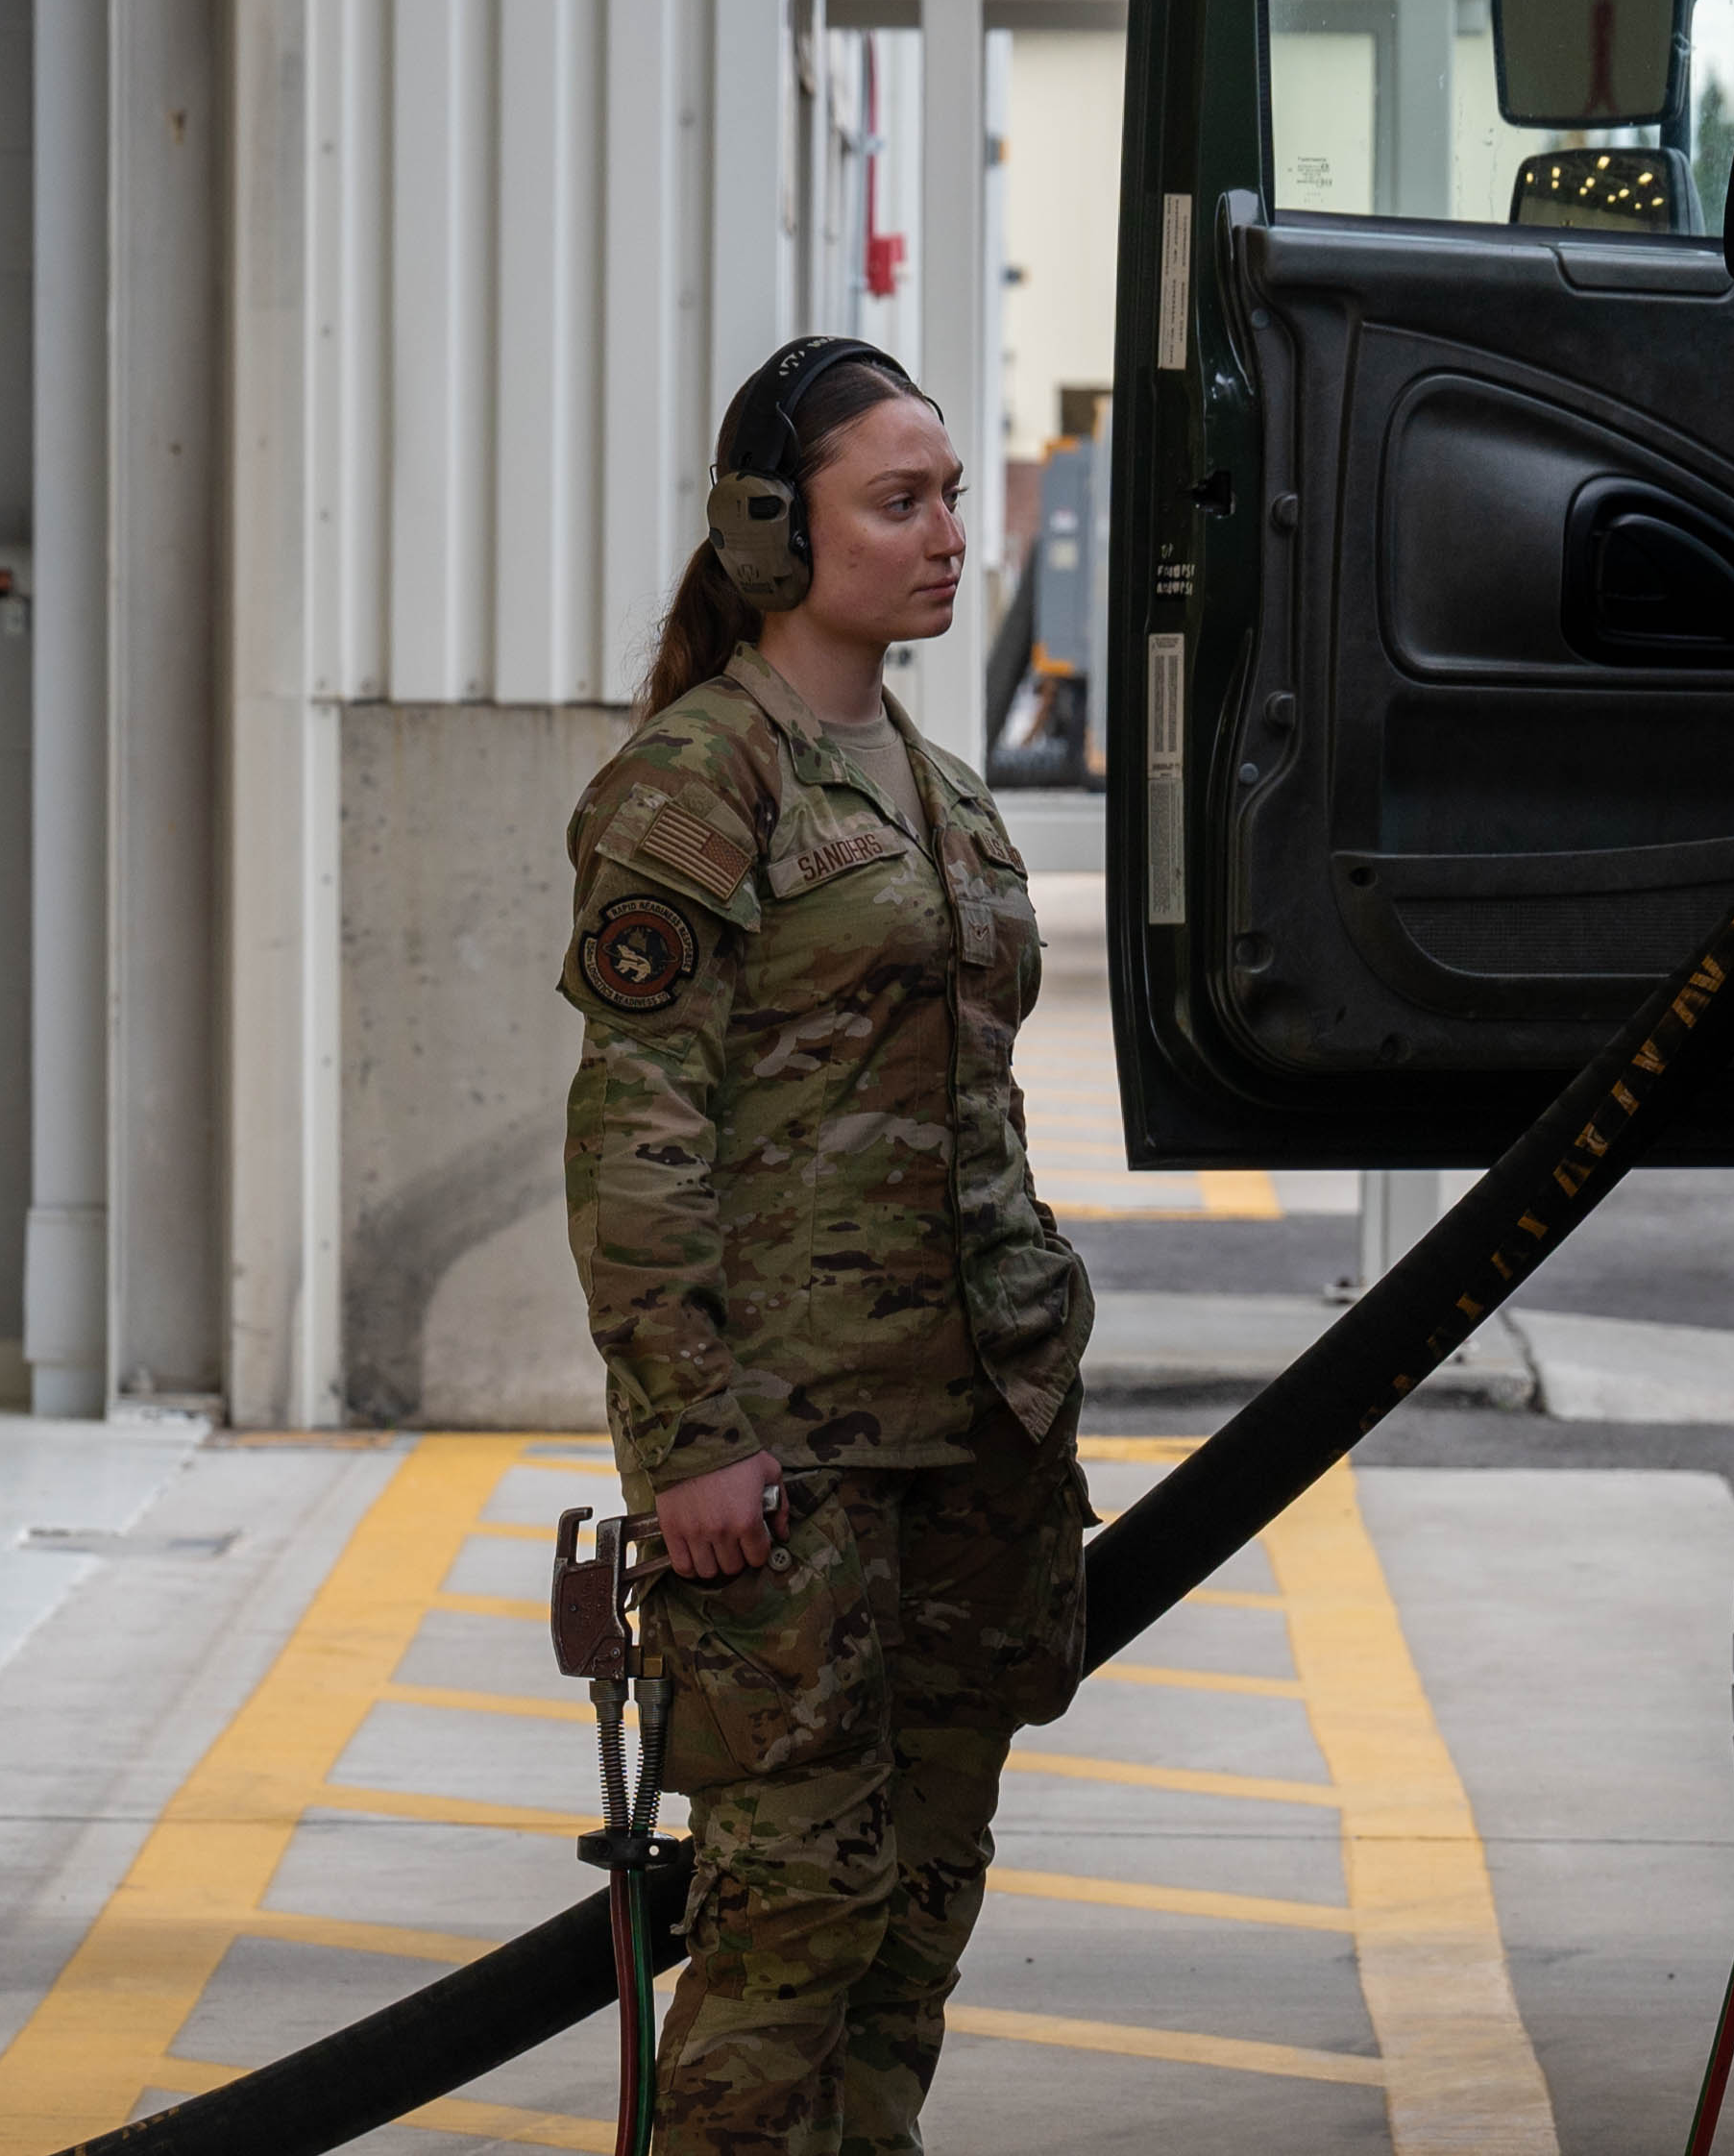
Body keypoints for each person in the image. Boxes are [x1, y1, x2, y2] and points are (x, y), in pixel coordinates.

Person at [558, 339, 1093, 2153]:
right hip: (792, 1462)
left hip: (970, 1448)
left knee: (915, 1920)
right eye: (902, 500)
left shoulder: (929, 782)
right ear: (775, 536)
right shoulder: (706, 782)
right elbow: (639, 1138)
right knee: (791, 1922)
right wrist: (688, 1436)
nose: (950, 533)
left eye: (950, 494)